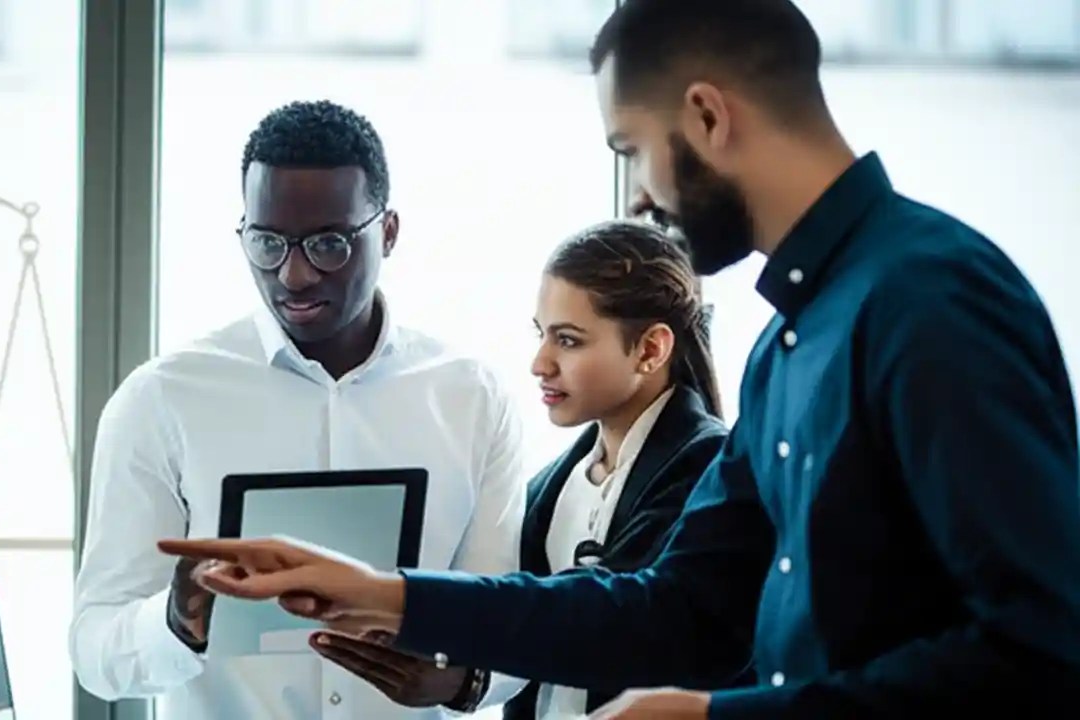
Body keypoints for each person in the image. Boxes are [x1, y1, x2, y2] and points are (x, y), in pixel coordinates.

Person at [158, 1, 1080, 717]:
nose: (638, 197)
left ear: (708, 116)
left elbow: (1041, 648)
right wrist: (380, 593)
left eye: (633, 150)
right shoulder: (791, 346)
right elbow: (670, 608)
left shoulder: (933, 301)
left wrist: (724, 719)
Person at [69, 100, 529, 720]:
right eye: (267, 243)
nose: (295, 274)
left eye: (329, 244)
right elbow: (95, 651)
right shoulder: (161, 399)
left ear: (388, 232)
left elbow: (516, 626)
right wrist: (176, 620)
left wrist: (458, 681)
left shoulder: (473, 400)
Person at [308, 220, 740, 718]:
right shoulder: (551, 487)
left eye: (570, 341)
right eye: (542, 335)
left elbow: (604, 621)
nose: (540, 362)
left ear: (650, 349)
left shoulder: (708, 468)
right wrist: (458, 679)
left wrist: (411, 606)